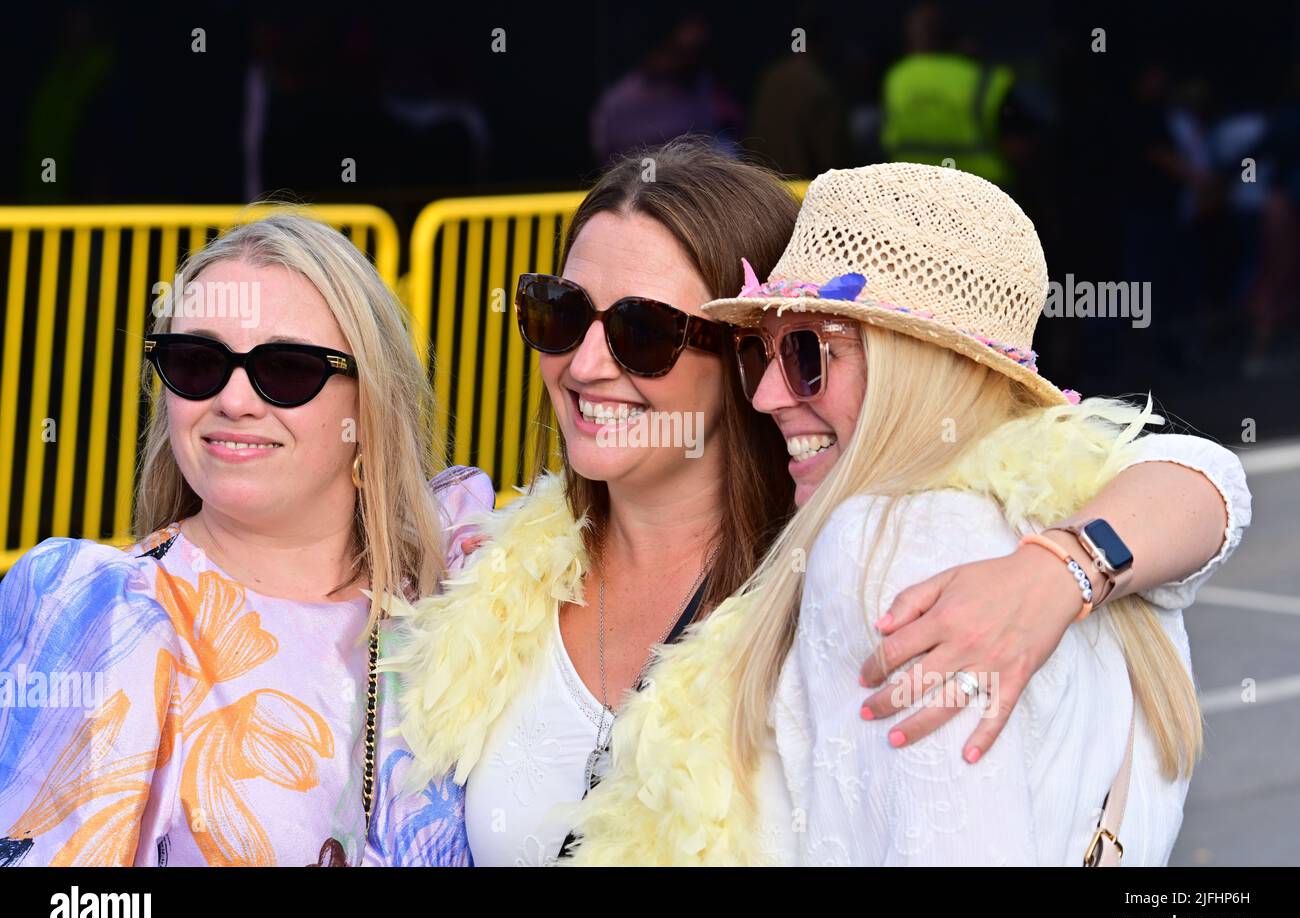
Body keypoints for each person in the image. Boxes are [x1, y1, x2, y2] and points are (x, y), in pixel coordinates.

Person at [386, 142, 1248, 867]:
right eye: (559, 313)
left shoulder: (876, 565)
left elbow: (1197, 475)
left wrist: (1064, 568)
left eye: (643, 331)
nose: (583, 364)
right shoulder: (487, 571)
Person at [0, 211, 492, 866]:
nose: (234, 401)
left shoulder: (467, 582)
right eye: (197, 362)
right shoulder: (109, 619)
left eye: (285, 369)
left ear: (370, 402)